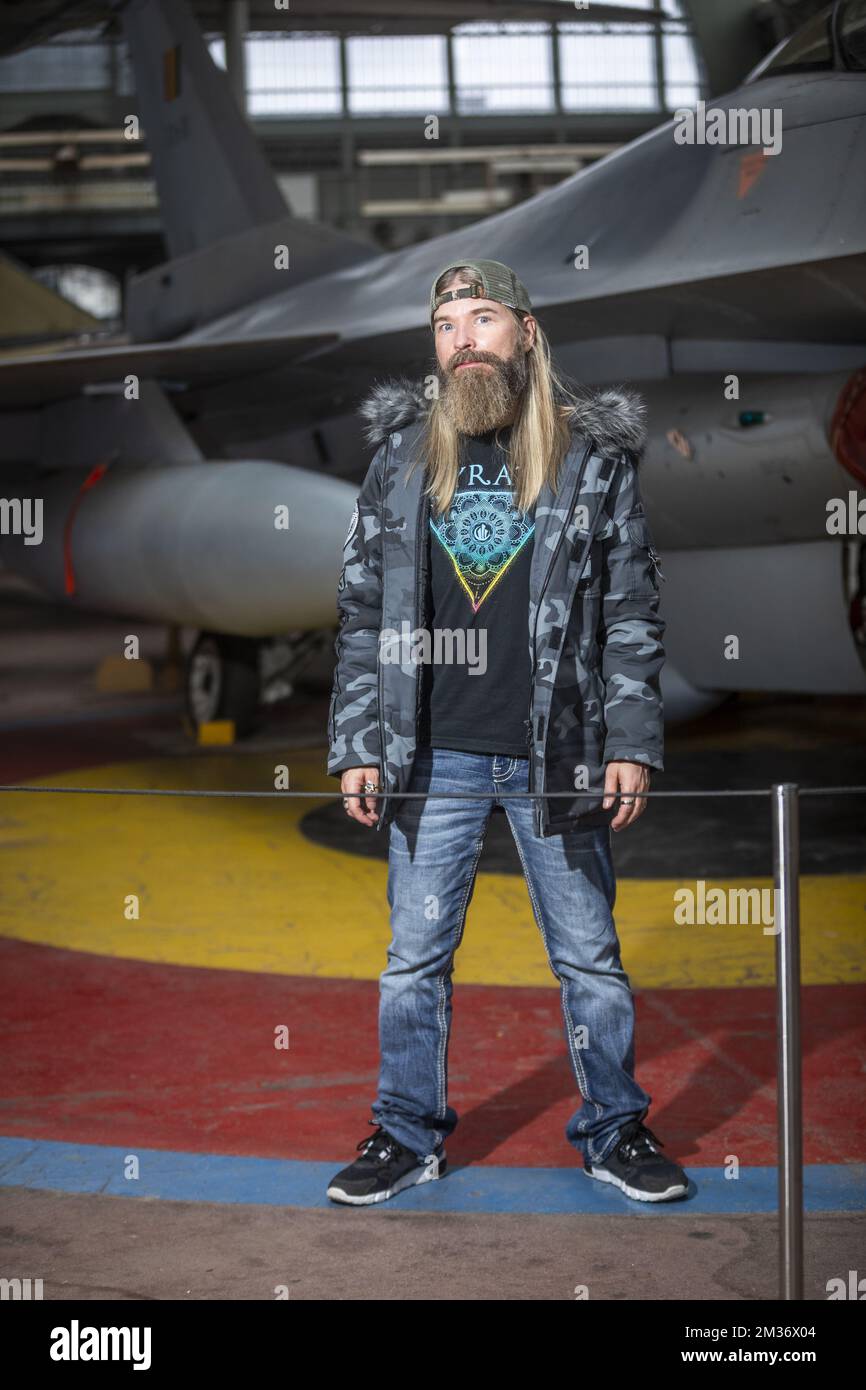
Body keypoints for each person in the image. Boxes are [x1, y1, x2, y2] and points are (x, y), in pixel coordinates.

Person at [325, 259, 687, 1206]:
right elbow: (362, 612)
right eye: (446, 325)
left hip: (555, 750)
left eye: (482, 319)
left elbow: (632, 612)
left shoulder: (590, 459)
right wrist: (359, 742)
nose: (463, 340)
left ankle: (616, 1131)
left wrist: (630, 740)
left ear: (524, 333)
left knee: (588, 958)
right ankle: (405, 1135)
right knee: (413, 959)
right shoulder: (401, 459)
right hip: (428, 752)